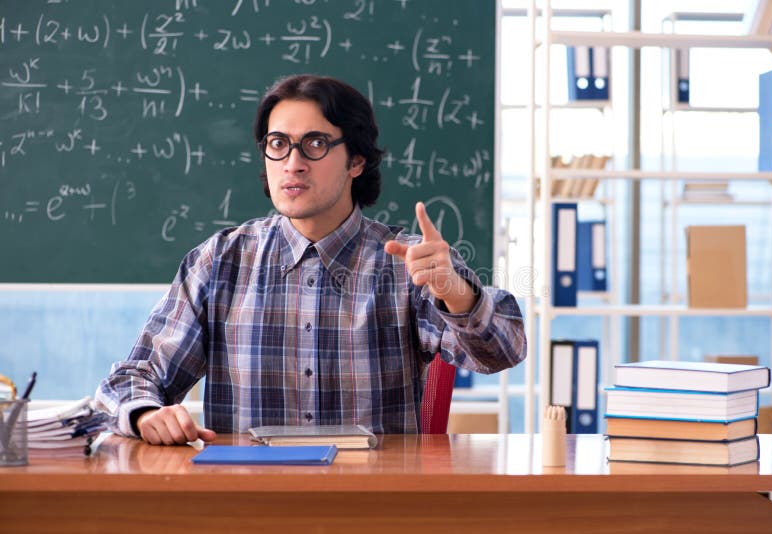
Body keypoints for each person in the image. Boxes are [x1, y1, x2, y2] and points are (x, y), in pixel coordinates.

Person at [95, 74, 526, 445]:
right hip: (249, 497)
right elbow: (134, 377)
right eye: (278, 144)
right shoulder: (220, 262)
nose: (293, 163)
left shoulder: (408, 263)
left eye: (315, 144)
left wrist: (456, 292)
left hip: (372, 498)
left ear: (356, 160)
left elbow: (504, 351)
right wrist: (146, 414)